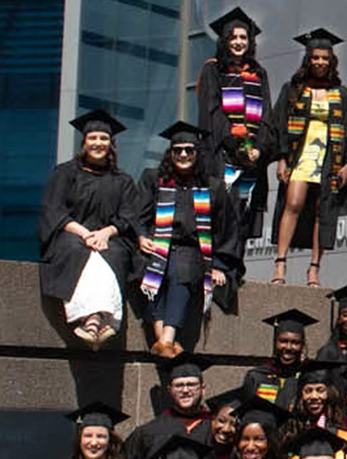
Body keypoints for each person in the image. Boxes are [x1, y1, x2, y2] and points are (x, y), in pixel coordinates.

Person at [38, 109, 143, 347]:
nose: (98, 143)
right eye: (93, 138)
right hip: (70, 234)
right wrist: (85, 233)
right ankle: (99, 320)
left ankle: (92, 322)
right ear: (84, 142)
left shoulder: (122, 180)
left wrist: (106, 232)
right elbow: (53, 209)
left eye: (103, 138)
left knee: (113, 254)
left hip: (111, 237)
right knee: (79, 251)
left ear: (111, 144)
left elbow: (129, 214)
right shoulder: (65, 173)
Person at [137, 122, 243, 357]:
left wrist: (218, 265)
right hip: (156, 245)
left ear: (198, 153)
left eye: (189, 150)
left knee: (181, 270)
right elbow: (138, 215)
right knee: (147, 269)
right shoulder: (153, 179)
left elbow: (226, 230)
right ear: (170, 153)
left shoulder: (212, 188)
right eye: (177, 150)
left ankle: (165, 338)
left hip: (192, 250)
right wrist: (141, 237)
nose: (183, 154)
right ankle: (166, 342)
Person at [269, 28, 347, 287]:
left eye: (325, 58)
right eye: (315, 57)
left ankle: (314, 269)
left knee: (322, 211)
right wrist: (282, 157)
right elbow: (279, 123)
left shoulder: (342, 93)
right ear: (308, 59)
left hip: (330, 157)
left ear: (331, 61)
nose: (320, 62)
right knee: (292, 203)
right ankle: (280, 263)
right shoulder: (293, 89)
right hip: (301, 154)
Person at [197, 7, 270, 247]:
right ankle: (218, 265)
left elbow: (266, 114)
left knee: (243, 210)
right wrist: (234, 140)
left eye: (243, 37)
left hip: (251, 157)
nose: (239, 42)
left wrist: (258, 147)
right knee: (222, 208)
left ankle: (236, 266)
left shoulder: (259, 74)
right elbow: (211, 111)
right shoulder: (214, 69)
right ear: (225, 40)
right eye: (233, 37)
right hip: (223, 152)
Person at [244, 309, 318, 409]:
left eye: (295, 342)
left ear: (302, 345)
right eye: (283, 341)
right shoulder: (257, 376)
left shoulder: (308, 376)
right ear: (275, 343)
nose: (288, 347)